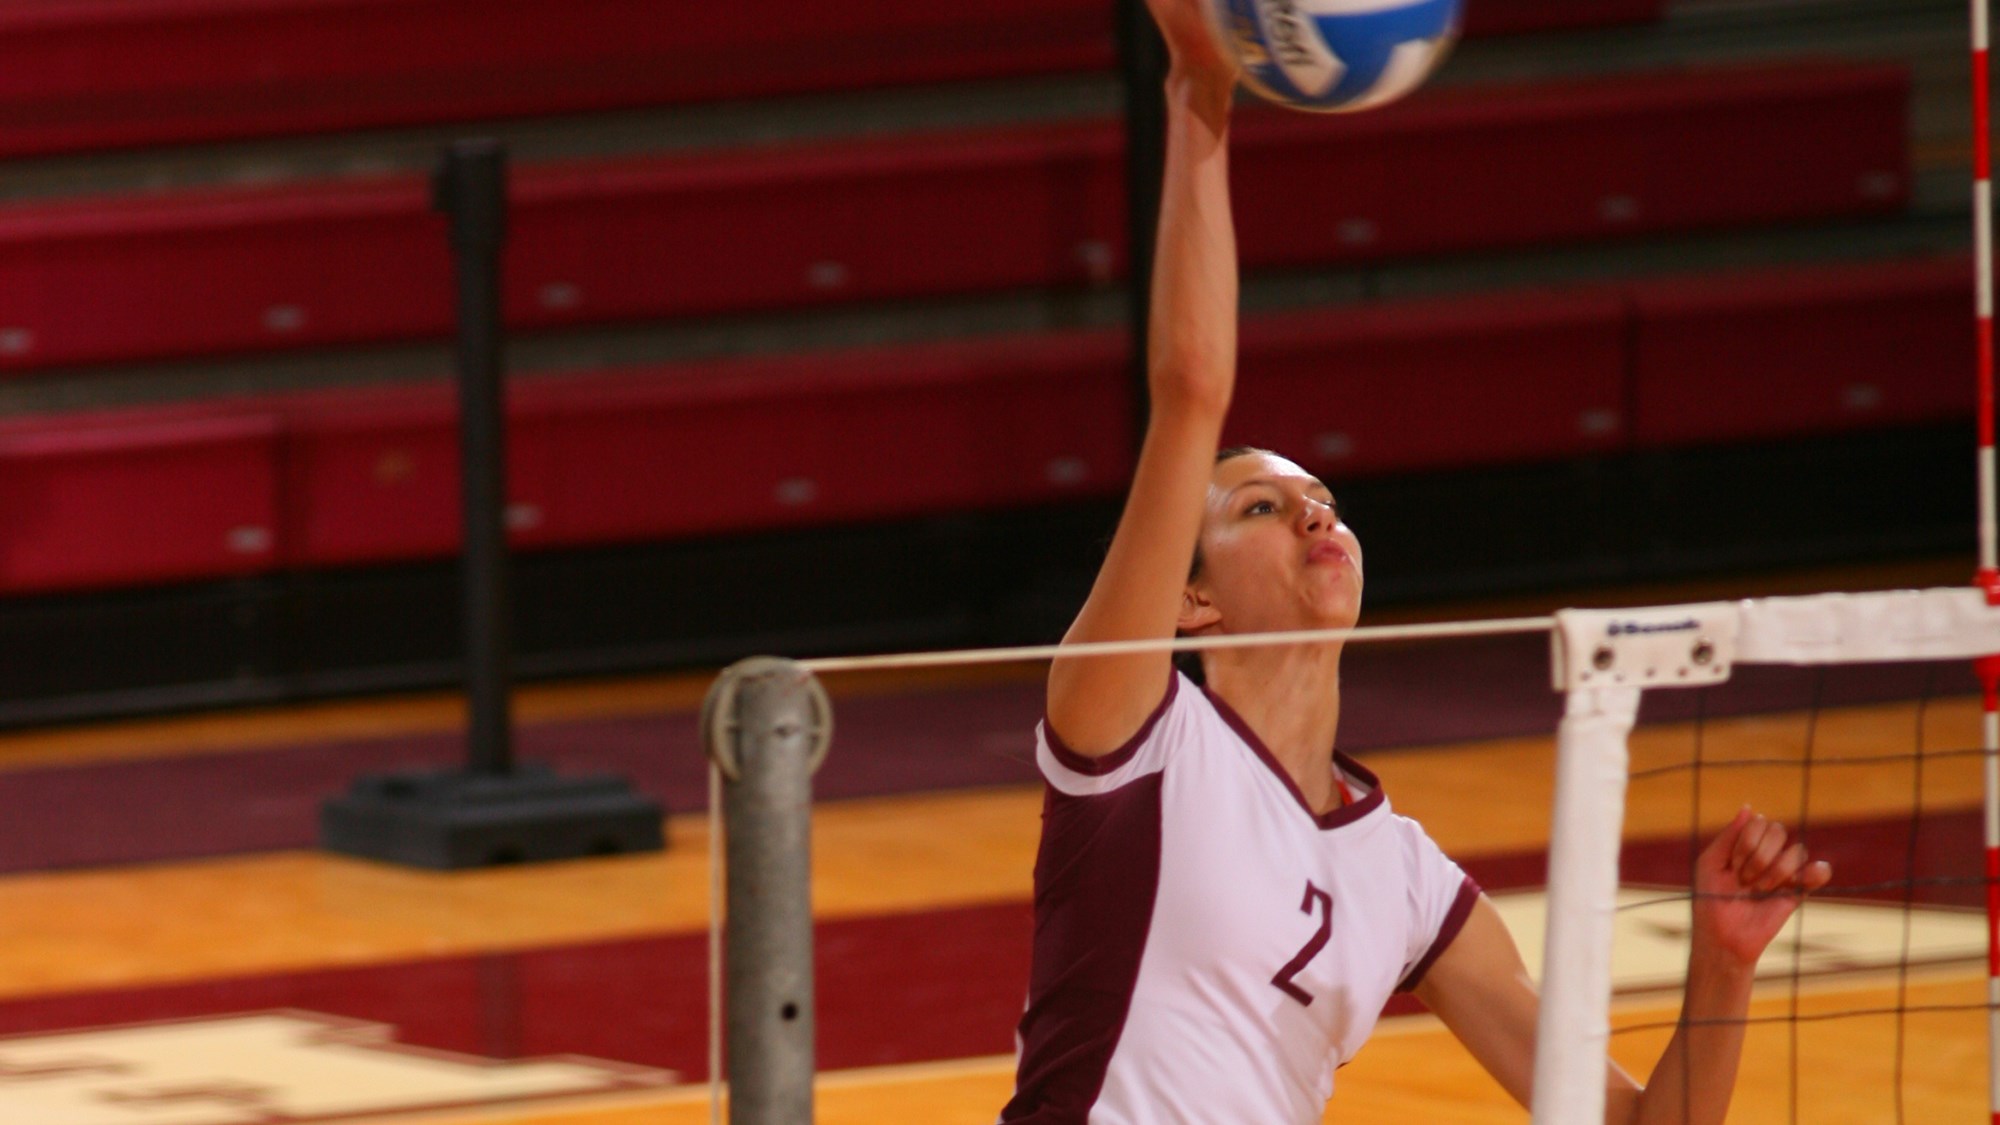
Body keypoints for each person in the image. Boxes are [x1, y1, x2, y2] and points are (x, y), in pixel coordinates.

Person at [996, 0, 1832, 1120]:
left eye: (1323, 501)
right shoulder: (1132, 736)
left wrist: (1722, 966)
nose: (1312, 518)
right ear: (1190, 597)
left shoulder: (1400, 872)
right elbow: (1190, 389)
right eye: (1260, 507)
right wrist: (1199, 93)